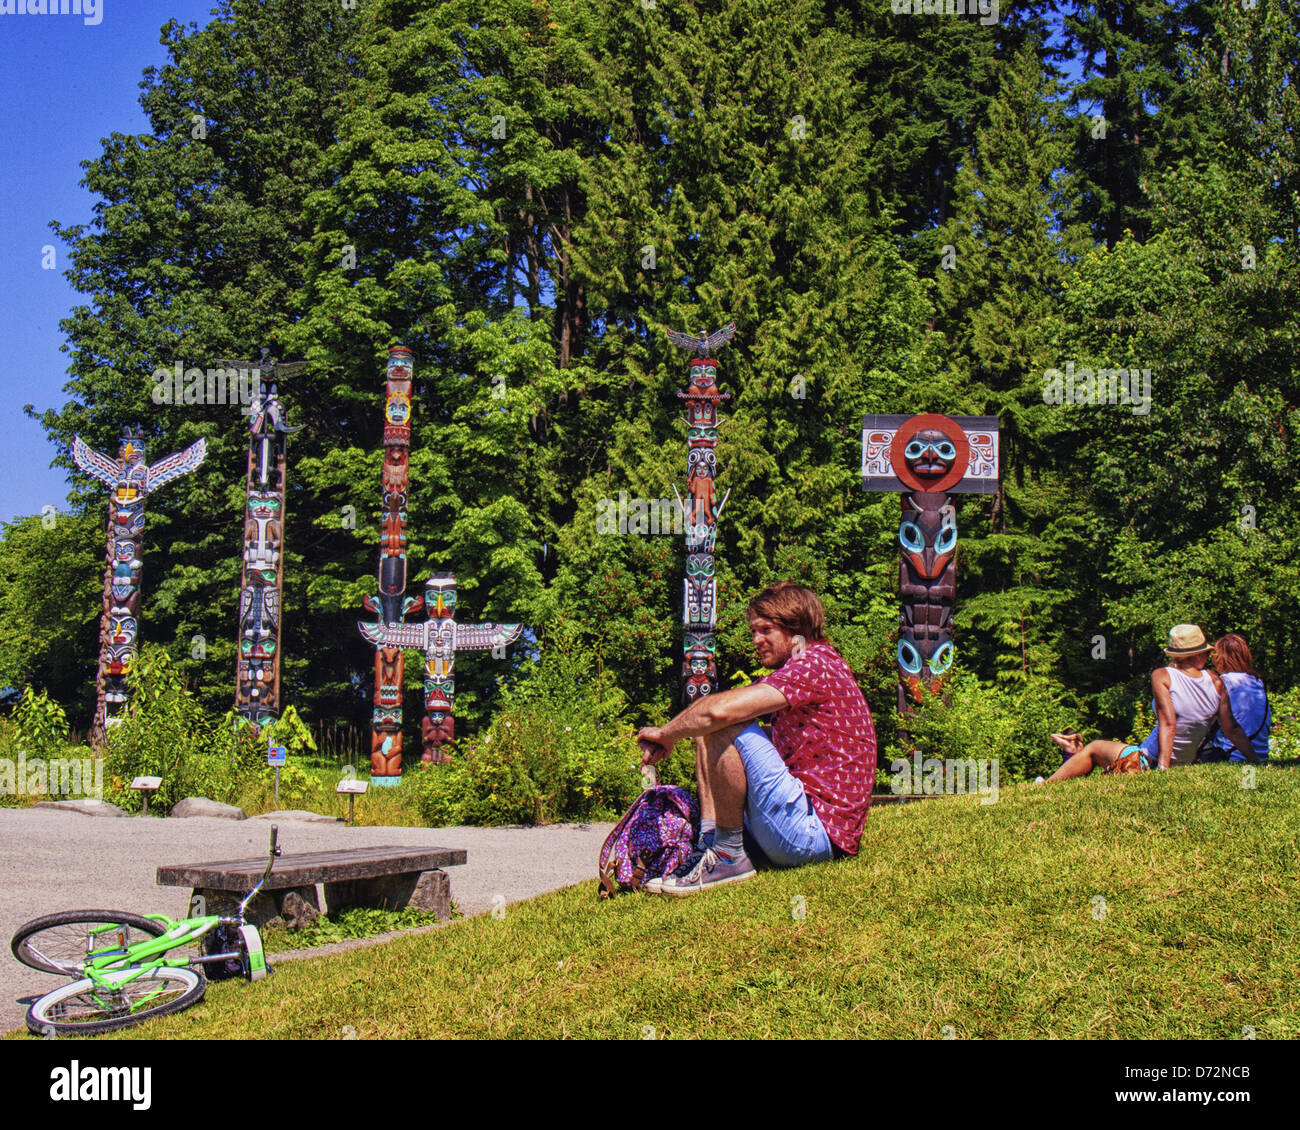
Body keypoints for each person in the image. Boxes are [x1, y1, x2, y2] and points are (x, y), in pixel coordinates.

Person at [636, 582, 876, 895]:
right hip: (807, 830)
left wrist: (665, 735)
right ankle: (710, 845)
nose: (756, 640)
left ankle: (728, 855)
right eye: (754, 631)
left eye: (765, 630)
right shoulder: (817, 663)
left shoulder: (812, 664)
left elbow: (719, 713)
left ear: (796, 628)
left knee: (719, 720)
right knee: (708, 727)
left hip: (812, 836)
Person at [1043, 623, 1259, 781]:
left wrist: (1163, 768)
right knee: (1097, 752)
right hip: (1184, 762)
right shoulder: (1215, 681)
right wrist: (1255, 761)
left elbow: (1168, 722)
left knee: (1094, 747)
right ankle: (1069, 755)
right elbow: (1232, 728)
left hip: (1147, 759)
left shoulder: (1163, 676)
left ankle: (1048, 783)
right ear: (1200, 654)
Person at [1201, 634, 1270, 763]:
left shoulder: (1223, 683)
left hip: (1231, 755)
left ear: (1220, 658)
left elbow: (1204, 721)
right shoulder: (1257, 682)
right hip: (1262, 755)